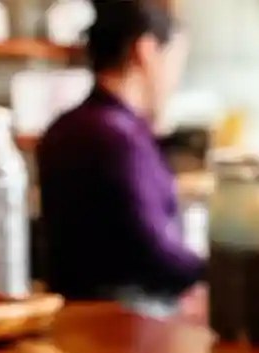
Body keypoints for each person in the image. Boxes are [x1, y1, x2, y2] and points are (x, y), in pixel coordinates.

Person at [37, 0, 201, 307]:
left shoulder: (63, 128)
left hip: (74, 319)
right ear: (147, 52)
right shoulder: (118, 137)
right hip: (128, 326)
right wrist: (218, 271)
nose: (174, 82)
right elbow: (153, 250)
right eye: (176, 63)